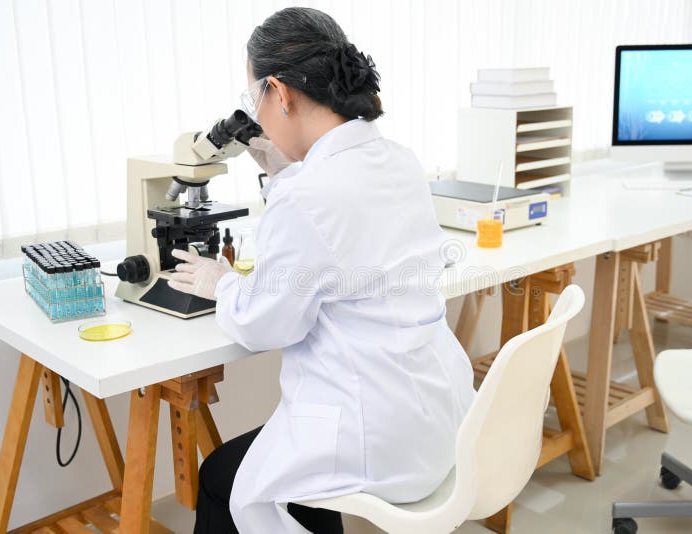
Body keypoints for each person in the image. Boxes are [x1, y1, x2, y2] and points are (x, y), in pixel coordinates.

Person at [167, 7, 476, 533]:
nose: (257, 118)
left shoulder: (310, 195)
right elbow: (339, 247)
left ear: (280, 93)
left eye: (254, 101)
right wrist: (284, 174)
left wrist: (222, 285)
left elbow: (267, 324)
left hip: (372, 434)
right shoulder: (398, 159)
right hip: (441, 418)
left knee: (221, 479)